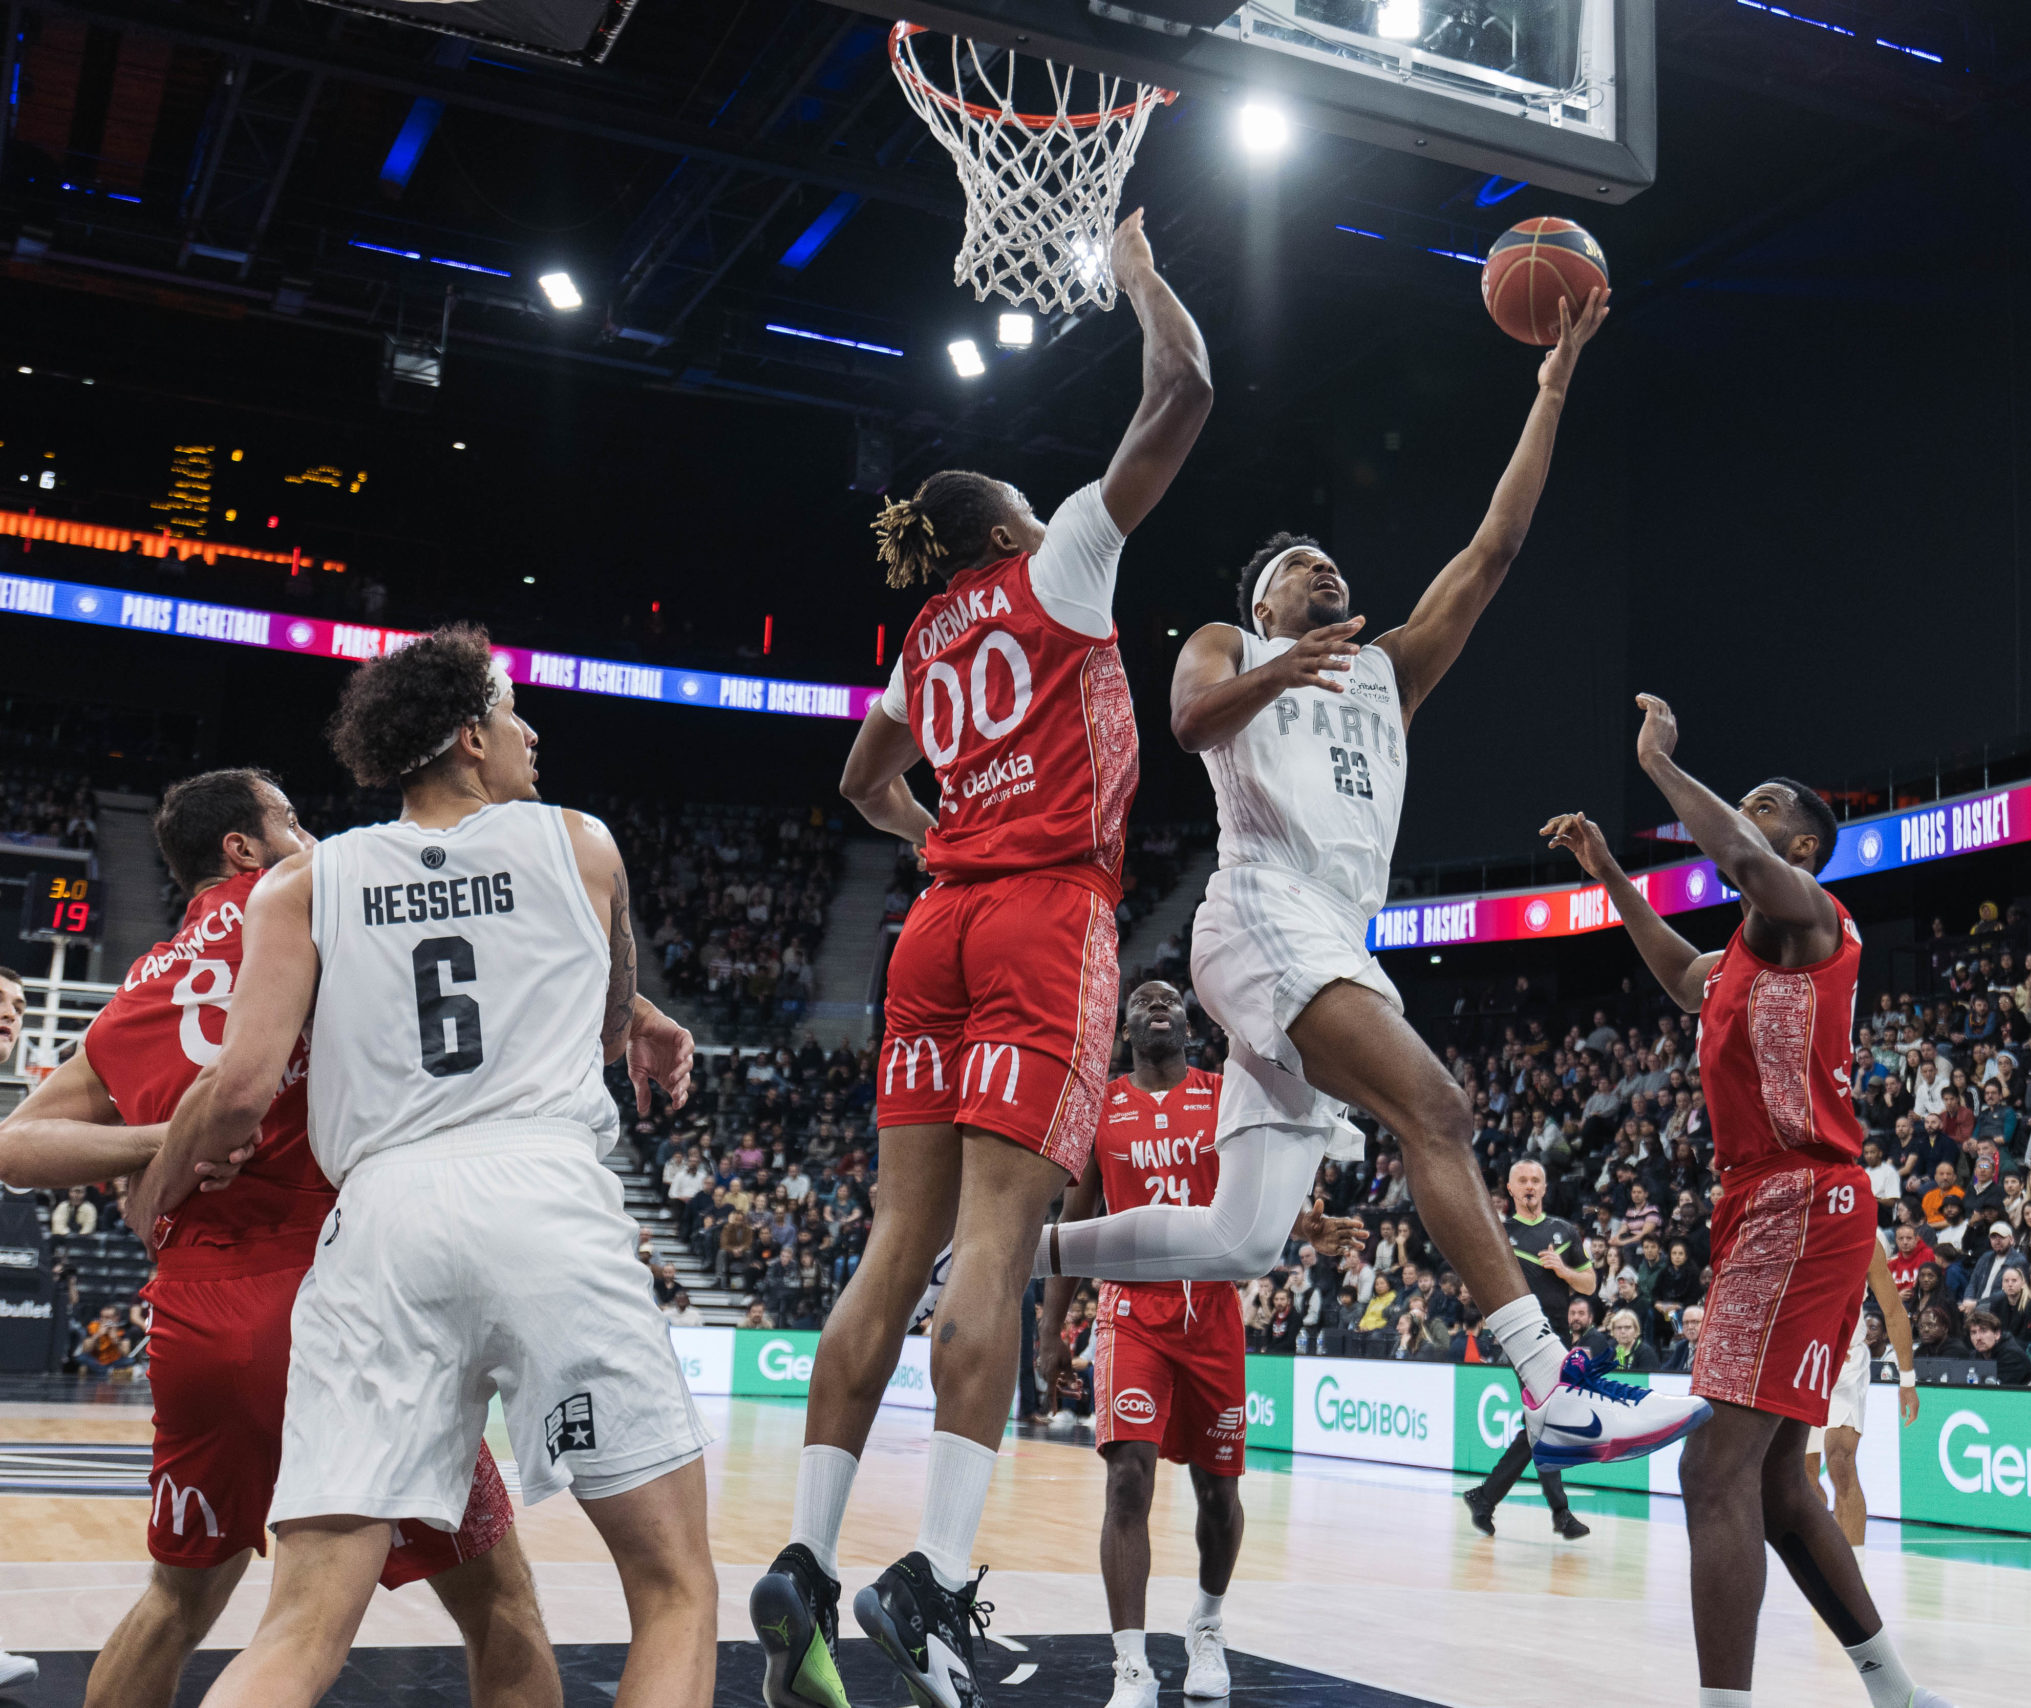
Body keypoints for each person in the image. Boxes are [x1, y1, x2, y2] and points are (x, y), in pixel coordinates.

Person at [1030, 288, 1700, 1471]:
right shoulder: (1233, 646)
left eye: (1329, 562)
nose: (1321, 571)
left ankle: (1016, 1254)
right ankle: (1551, 1386)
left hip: (1333, 929)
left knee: (1241, 1241)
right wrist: (1282, 669)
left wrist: (1550, 387)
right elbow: (1186, 722)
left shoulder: (1387, 670)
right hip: (1259, 909)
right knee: (1437, 1109)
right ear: (1264, 603)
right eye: (1298, 567)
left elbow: (1492, 549)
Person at [754, 211, 1215, 1708]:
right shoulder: (1060, 565)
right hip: (1039, 918)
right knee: (995, 1260)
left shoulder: (925, 639)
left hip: (934, 927)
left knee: (895, 1249)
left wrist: (942, 817)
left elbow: (858, 784)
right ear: (1013, 523)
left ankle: (806, 1559)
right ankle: (935, 1585)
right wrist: (1140, 276)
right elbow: (1185, 395)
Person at [144, 631, 713, 1708]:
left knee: (301, 1624)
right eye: (513, 715)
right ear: (469, 736)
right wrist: (639, 1019)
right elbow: (598, 1028)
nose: (530, 733)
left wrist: (156, 1186)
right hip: (542, 1198)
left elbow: (235, 1093)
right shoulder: (581, 845)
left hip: (382, 1221)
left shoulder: (302, 885)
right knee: (674, 1584)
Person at [0, 768, 558, 1708]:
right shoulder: (325, 916)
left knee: (176, 1603)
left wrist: (159, 1141)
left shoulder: (148, 985)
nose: (310, 835)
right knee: (496, 1605)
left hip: (196, 1323)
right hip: (339, 1309)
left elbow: (13, 1143)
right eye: (290, 820)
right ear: (243, 848)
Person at [1540, 706, 1956, 1708]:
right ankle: (1896, 1691)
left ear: (1801, 846)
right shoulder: (1740, 956)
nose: (1736, 816)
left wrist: (1658, 764)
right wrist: (1610, 876)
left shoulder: (1811, 914)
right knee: (1771, 1487)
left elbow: (1738, 855)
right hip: (1767, 1205)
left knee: (1708, 1472)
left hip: (1801, 1196)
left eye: (1759, 810)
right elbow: (1683, 977)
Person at [1036, 983, 1251, 1708]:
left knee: (1218, 1494)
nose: (1156, 1003)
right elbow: (1074, 1221)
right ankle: (1132, 1666)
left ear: (1188, 1024)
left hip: (1213, 1311)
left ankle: (1207, 1627)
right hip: (1130, 1311)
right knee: (1128, 1477)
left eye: (1169, 998)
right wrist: (1050, 1334)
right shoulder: (1099, 1105)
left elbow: (1264, 1190)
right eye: (1142, 999)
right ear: (1125, 1026)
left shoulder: (1225, 1094)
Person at [1459, 1159, 1595, 1541]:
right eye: (1523, 1180)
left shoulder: (1563, 1231)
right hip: (1521, 1335)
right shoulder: (1498, 1233)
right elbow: (1477, 1281)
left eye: (1536, 1179)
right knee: (1546, 1418)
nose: (1530, 1185)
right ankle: (1561, 1514)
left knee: (1541, 1422)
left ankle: (1486, 1496)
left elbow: (1589, 1285)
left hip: (1559, 1335)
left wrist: (1565, 1272)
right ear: (1511, 1189)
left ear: (1545, 1188)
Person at [1806, 1239, 1919, 1548]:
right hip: (1803, 1361)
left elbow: (1894, 1311)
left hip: (1847, 1363)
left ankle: (1856, 1571)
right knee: (1804, 1477)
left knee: (1840, 1461)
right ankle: (1825, 1561)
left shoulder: (1865, 1240)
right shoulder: (1796, 1229)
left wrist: (1906, 1380)